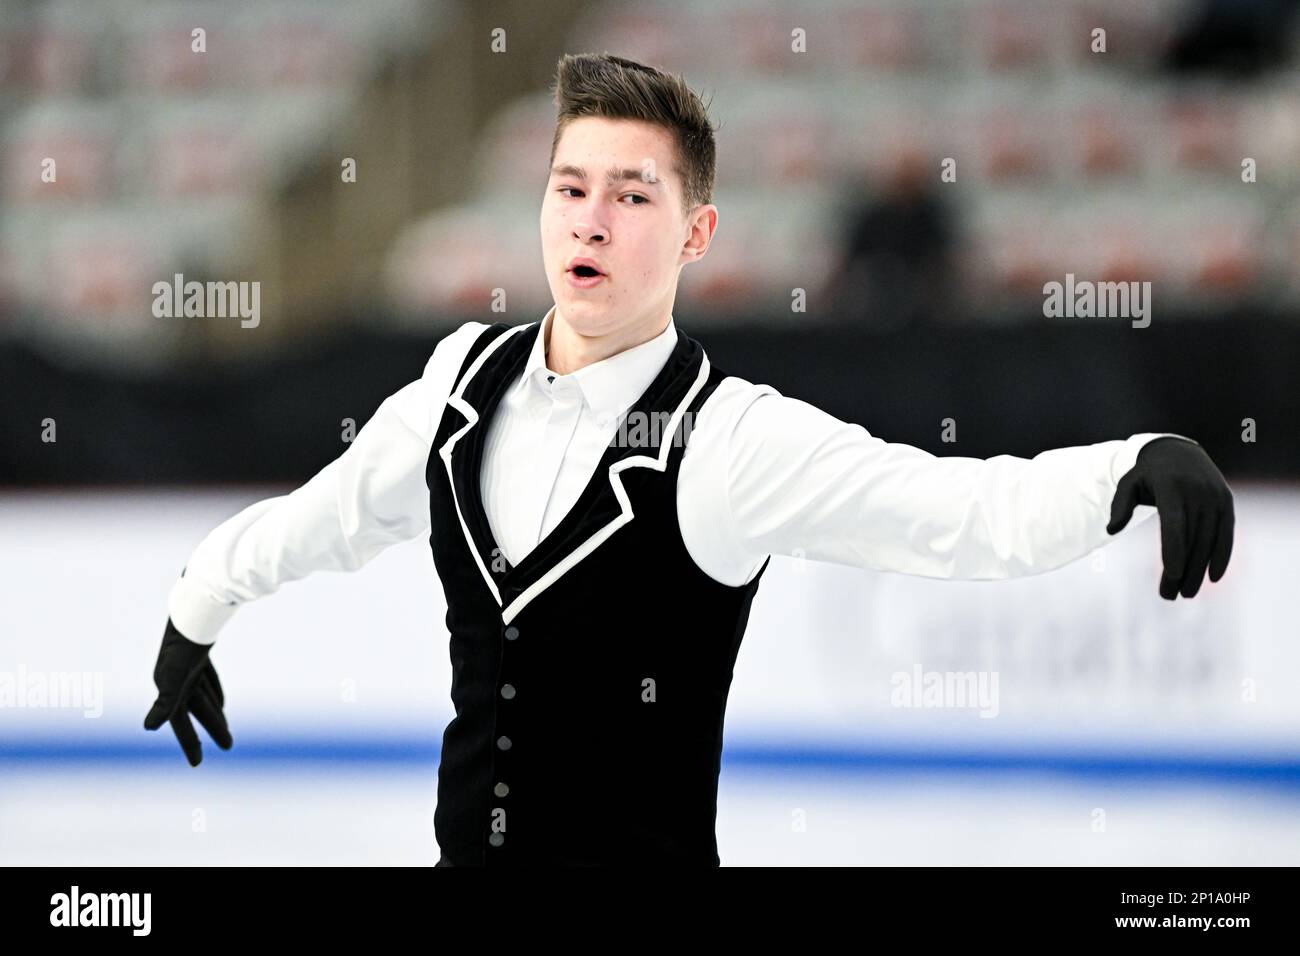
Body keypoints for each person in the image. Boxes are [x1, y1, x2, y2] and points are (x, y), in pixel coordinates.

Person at [145, 53, 1234, 867]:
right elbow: (324, 516)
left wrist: (1127, 464)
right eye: (570, 187)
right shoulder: (456, 391)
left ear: (696, 234)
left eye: (632, 195)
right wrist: (198, 605)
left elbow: (952, 509)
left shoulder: (729, 440)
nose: (592, 221)